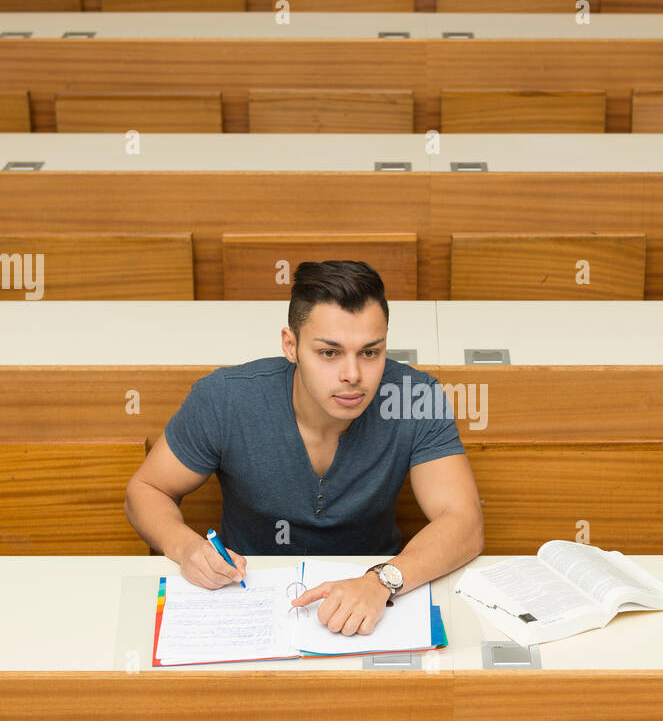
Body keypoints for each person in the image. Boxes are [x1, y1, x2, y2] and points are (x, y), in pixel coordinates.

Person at [124, 259, 485, 636]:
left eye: (370, 352)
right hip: (248, 597)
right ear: (291, 345)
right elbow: (145, 490)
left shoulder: (413, 396)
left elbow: (464, 522)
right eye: (329, 353)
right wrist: (185, 547)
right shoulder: (225, 398)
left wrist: (381, 581)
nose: (353, 375)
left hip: (371, 600)